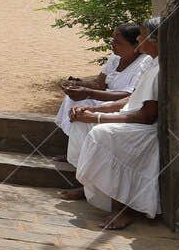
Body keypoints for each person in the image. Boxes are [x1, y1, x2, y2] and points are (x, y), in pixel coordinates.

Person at [67, 17, 162, 230]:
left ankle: (122, 209)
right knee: (82, 123)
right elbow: (131, 99)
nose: (139, 38)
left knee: (103, 133)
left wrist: (99, 118)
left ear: (154, 40)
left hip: (145, 129)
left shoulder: (158, 68)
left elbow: (146, 116)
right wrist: (91, 111)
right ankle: (93, 187)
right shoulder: (152, 64)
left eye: (143, 34)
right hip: (133, 117)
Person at [55, 24, 151, 173]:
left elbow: (129, 96)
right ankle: (73, 150)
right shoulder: (115, 57)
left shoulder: (144, 63)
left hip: (122, 105)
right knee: (74, 100)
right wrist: (77, 84)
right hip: (103, 99)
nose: (113, 46)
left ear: (136, 45)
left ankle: (85, 163)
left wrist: (88, 93)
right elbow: (100, 84)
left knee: (85, 111)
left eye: (118, 43)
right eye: (112, 41)